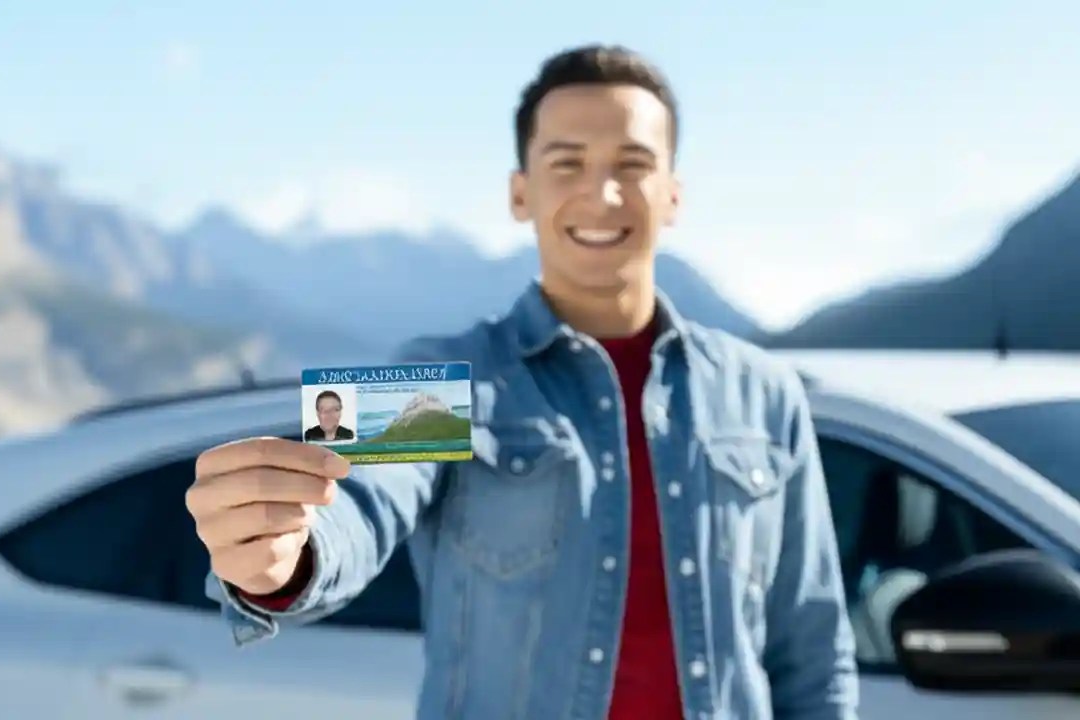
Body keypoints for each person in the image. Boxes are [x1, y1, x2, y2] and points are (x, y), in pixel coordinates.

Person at [186, 44, 859, 719]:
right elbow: (354, 510)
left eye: (633, 165)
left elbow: (814, 656)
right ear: (520, 192)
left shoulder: (766, 396)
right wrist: (281, 559)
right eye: (568, 164)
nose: (603, 194)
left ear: (673, 194)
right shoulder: (435, 377)